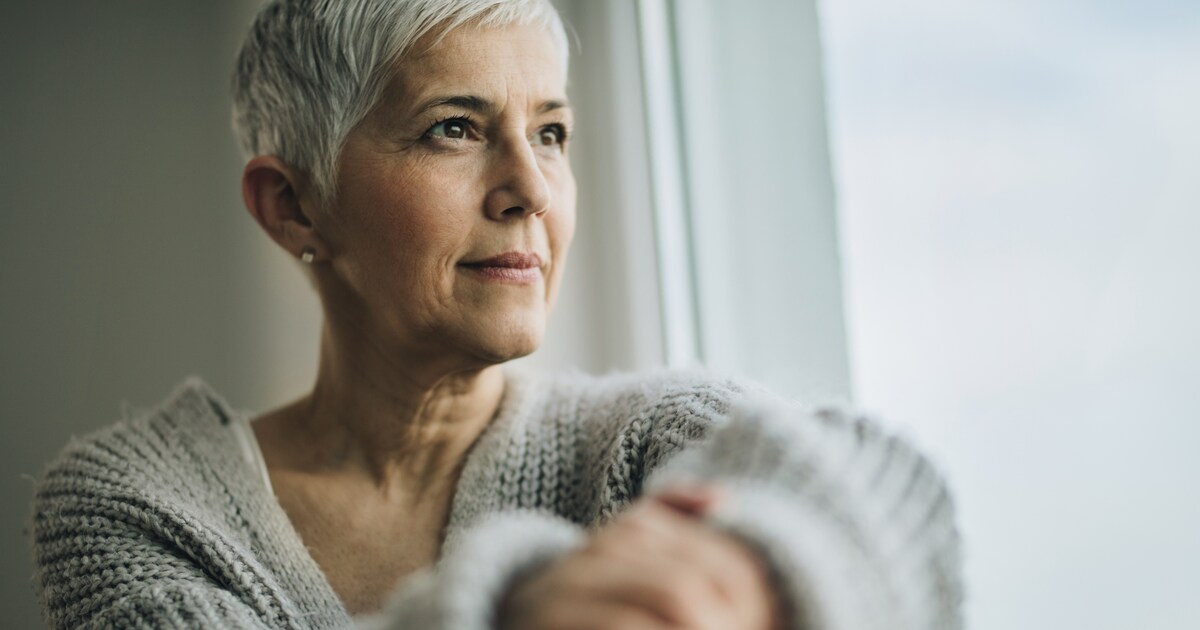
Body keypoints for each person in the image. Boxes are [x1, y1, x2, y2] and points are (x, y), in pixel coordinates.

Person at [29, 1, 963, 628]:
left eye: (550, 133)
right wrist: (522, 603)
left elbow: (889, 489)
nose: (530, 188)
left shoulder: (645, 440)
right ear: (294, 207)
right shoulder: (137, 507)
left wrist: (753, 568)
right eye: (456, 128)